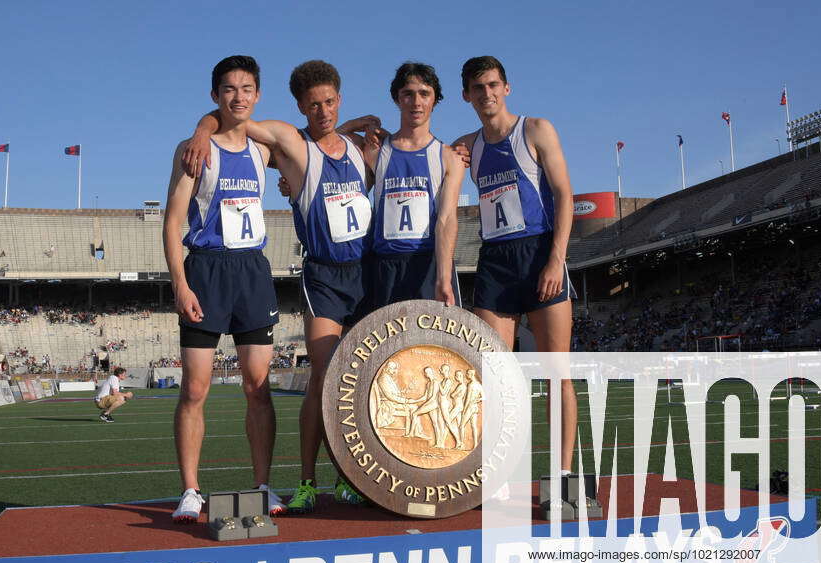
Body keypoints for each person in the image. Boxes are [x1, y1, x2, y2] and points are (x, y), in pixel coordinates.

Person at [182, 60, 381, 514]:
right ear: (299, 107)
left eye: (330, 102)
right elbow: (235, 119)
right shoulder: (292, 143)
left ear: (340, 100)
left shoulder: (357, 149)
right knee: (324, 380)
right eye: (313, 105)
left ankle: (353, 476)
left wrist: (355, 130)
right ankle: (308, 480)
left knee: (365, 383)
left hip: (365, 274)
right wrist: (199, 129)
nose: (323, 110)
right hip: (324, 276)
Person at [163, 55, 283, 522]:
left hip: (252, 272)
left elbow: (313, 139)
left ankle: (263, 485)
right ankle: (191, 490)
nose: (238, 97)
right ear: (215, 95)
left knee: (258, 387)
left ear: (257, 94)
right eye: (229, 89)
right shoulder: (195, 150)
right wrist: (180, 283)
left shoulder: (264, 148)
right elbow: (173, 222)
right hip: (206, 272)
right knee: (195, 389)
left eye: (247, 88)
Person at [451, 56, 578, 475]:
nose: (486, 94)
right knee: (493, 377)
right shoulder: (466, 147)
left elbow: (563, 195)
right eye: (477, 88)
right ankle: (502, 473)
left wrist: (556, 259)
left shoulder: (536, 129)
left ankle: (561, 474)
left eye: (492, 85)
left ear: (506, 87)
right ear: (466, 95)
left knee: (557, 373)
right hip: (496, 262)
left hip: (540, 253)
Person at [362, 62, 465, 308]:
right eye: (408, 94)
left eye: (424, 94)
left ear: (434, 100)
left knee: (432, 347)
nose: (416, 102)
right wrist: (358, 124)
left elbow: (447, 218)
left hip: (427, 265)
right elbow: (328, 145)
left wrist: (443, 277)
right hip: (384, 267)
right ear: (397, 99)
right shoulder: (375, 151)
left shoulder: (448, 156)